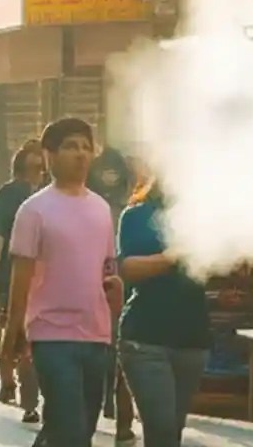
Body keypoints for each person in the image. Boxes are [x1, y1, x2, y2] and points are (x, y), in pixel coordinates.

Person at [2, 119, 124, 447]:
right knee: (70, 430)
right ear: (49, 155)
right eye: (71, 147)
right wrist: (12, 335)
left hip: (96, 334)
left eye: (86, 147)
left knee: (79, 429)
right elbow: (21, 277)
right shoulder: (34, 210)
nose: (81, 154)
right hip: (51, 333)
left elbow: (107, 267)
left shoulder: (101, 209)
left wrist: (115, 288)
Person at [116, 181, 211, 447]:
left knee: (172, 431)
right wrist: (170, 257)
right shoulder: (137, 216)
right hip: (146, 339)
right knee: (162, 430)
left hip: (192, 339)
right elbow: (127, 268)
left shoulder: (204, 215)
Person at [0, 144, 46, 423]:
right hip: (27, 276)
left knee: (13, 331)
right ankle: (25, 396)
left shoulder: (2, 197)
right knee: (24, 335)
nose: (39, 173)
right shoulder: (41, 198)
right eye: (37, 168)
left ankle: (10, 380)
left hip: (14, 276)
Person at [88, 147, 137, 441]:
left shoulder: (126, 208)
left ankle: (121, 417)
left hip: (121, 286)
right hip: (92, 286)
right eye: (104, 170)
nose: (109, 176)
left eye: (113, 171)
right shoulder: (88, 204)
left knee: (118, 351)